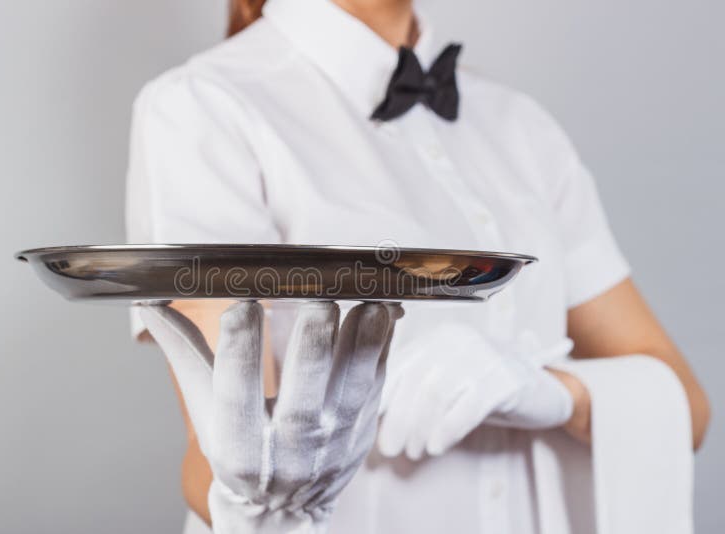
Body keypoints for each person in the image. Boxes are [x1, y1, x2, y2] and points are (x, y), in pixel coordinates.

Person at [126, 0, 710, 532]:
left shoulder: (521, 126)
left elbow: (687, 410)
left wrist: (558, 393)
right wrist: (260, 501)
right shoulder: (204, 107)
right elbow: (219, 455)